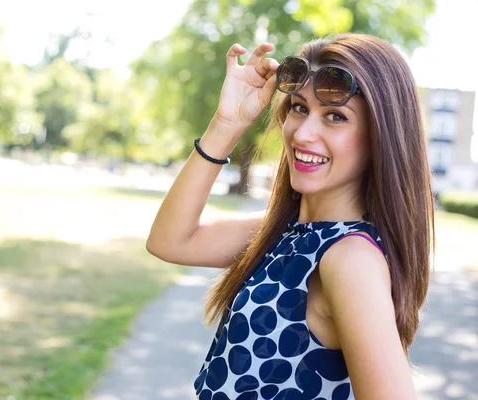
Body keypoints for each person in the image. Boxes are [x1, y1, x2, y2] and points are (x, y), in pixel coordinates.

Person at [146, 33, 434, 399]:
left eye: (335, 116)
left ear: (381, 135)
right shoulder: (291, 235)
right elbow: (169, 241)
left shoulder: (350, 259)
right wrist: (227, 122)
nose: (303, 132)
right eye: (299, 108)